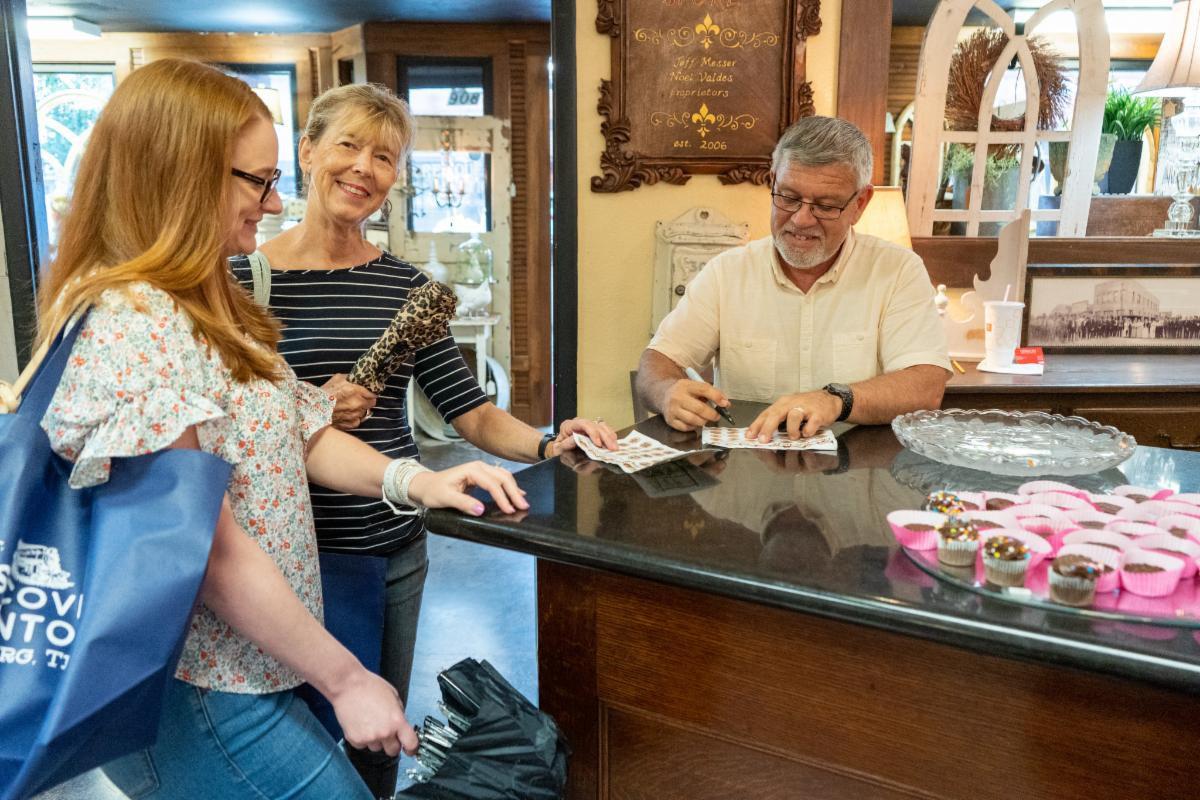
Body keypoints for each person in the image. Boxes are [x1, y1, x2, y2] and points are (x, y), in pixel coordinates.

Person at [35, 59, 529, 799]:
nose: (270, 205)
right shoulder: (131, 320)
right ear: (182, 172)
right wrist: (348, 678)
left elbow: (299, 431)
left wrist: (418, 479)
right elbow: (209, 550)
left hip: (250, 664)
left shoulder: (207, 306)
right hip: (195, 684)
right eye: (256, 182)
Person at [228, 83, 616, 797]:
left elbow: (471, 413)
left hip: (390, 546)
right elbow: (228, 422)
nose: (364, 168)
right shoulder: (239, 281)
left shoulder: (408, 291)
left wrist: (548, 442)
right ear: (307, 151)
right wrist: (307, 407)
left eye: (384, 155)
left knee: (377, 732)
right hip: (281, 554)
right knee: (296, 741)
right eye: (347, 144)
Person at [636, 115, 951, 440]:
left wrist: (834, 400)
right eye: (788, 197)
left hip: (851, 478)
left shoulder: (897, 271)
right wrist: (666, 392)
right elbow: (657, 362)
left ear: (860, 203)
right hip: (747, 476)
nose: (801, 220)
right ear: (773, 181)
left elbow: (925, 386)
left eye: (825, 205)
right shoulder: (726, 273)